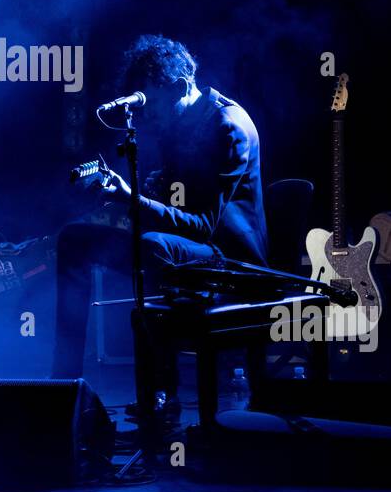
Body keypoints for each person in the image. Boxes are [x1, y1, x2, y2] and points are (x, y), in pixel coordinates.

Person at [51, 35, 268, 401]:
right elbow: (174, 206)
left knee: (152, 246)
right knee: (74, 238)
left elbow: (202, 226)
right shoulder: (178, 126)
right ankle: (63, 386)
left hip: (229, 258)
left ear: (182, 86)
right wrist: (135, 196)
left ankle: (158, 390)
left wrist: (130, 197)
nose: (148, 117)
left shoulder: (227, 128)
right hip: (185, 248)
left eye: (152, 105)